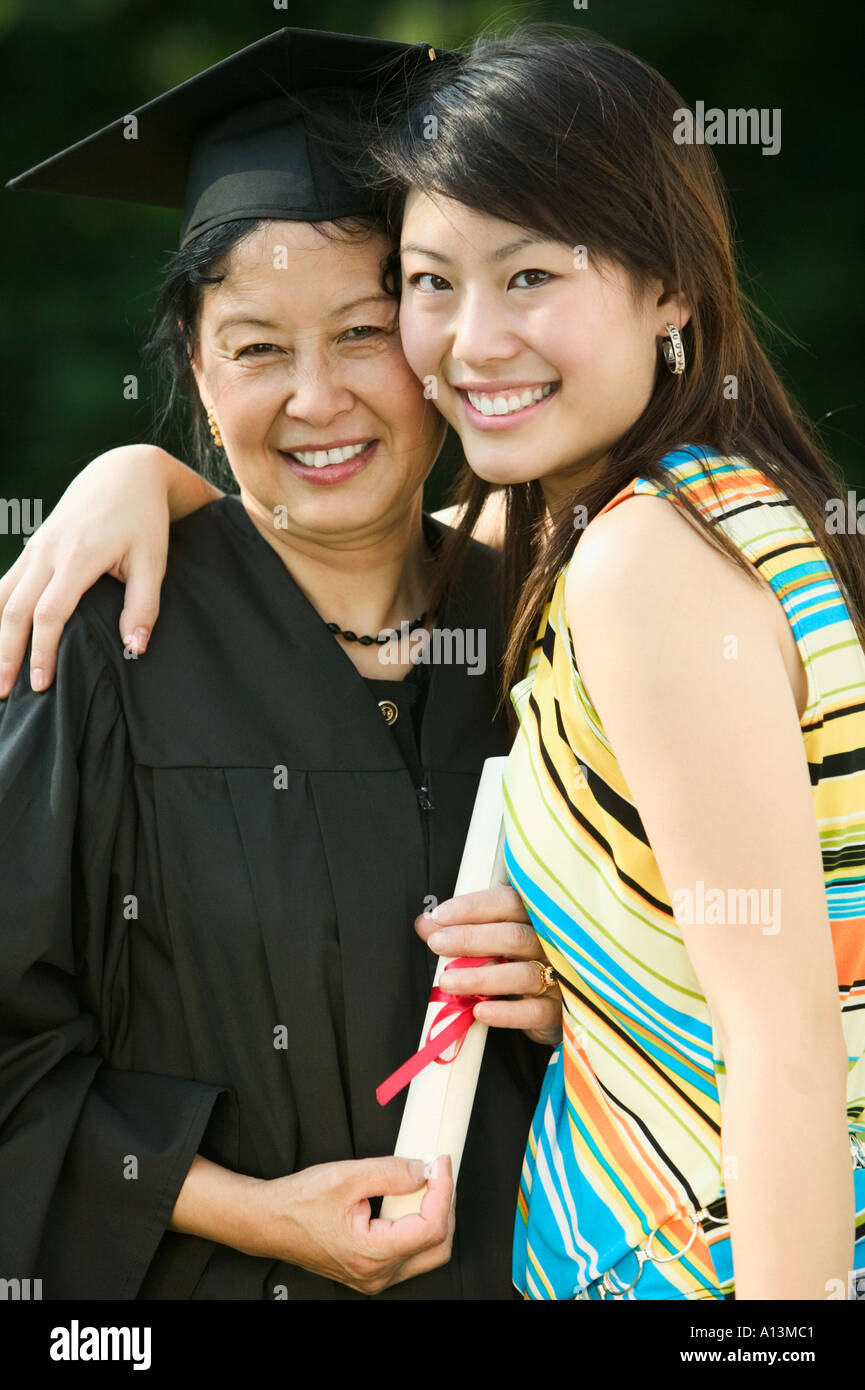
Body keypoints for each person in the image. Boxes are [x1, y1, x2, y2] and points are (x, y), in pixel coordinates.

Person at [0, 28, 556, 1302]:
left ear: (436, 341)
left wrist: (586, 977)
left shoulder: (552, 625)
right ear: (197, 374)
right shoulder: (95, 641)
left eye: (363, 333)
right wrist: (250, 1213)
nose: (317, 398)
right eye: (256, 348)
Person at [368, 30, 865, 1300]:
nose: (471, 340)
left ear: (670, 290)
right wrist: (139, 485)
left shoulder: (645, 563)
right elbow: (350, 554)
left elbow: (783, 1035)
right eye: (431, 280)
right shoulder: (706, 506)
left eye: (530, 274)